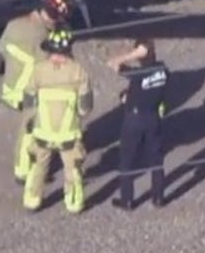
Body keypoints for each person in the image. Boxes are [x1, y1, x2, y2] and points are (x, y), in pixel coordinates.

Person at [0, 0, 71, 184]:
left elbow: (0, 48)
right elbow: (53, 66)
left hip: (11, 86)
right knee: (30, 130)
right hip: (31, 91)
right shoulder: (42, 38)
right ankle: (23, 171)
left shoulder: (15, 24)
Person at [22, 26, 93, 214]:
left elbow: (29, 101)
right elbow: (85, 108)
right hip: (68, 134)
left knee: (38, 167)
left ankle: (32, 200)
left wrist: (31, 121)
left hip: (42, 132)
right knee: (73, 169)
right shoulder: (79, 71)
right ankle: (74, 203)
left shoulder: (38, 71)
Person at [106, 38, 169, 210]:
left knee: (127, 161)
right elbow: (143, 91)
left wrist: (131, 54)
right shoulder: (163, 70)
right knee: (156, 160)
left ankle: (127, 200)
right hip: (153, 117)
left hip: (134, 120)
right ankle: (158, 197)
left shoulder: (138, 74)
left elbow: (114, 64)